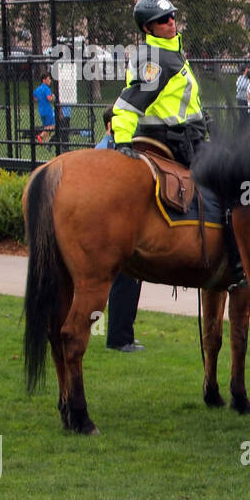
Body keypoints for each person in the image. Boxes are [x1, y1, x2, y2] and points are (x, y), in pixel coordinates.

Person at [111, 0, 208, 166]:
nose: (171, 21)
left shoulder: (169, 52)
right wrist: (123, 142)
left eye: (172, 15)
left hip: (186, 134)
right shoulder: (155, 59)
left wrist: (207, 120)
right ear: (147, 28)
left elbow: (183, 98)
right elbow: (132, 102)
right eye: (163, 19)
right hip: (174, 140)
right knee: (226, 180)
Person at [96, 108, 144, 352]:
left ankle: (124, 333)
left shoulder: (106, 149)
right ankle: (119, 337)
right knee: (124, 278)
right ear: (110, 126)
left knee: (129, 279)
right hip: (112, 228)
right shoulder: (109, 151)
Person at [32, 70, 55, 143]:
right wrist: (53, 97)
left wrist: (40, 99)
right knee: (52, 126)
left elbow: (34, 98)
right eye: (48, 79)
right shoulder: (46, 88)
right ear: (44, 80)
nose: (50, 81)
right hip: (48, 110)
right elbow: (49, 98)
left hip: (41, 110)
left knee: (46, 126)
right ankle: (40, 136)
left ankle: (46, 143)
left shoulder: (38, 89)